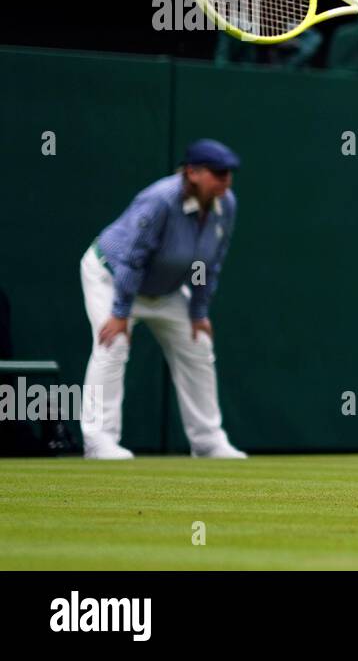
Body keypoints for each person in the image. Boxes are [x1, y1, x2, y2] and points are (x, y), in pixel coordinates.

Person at [80, 140, 246, 460]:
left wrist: (198, 311)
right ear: (192, 173)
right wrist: (120, 313)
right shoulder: (159, 201)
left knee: (198, 345)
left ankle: (208, 441)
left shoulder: (227, 205)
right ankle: (99, 441)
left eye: (229, 174)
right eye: (218, 173)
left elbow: (209, 263)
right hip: (112, 278)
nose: (226, 180)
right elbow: (132, 259)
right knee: (112, 345)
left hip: (167, 290)